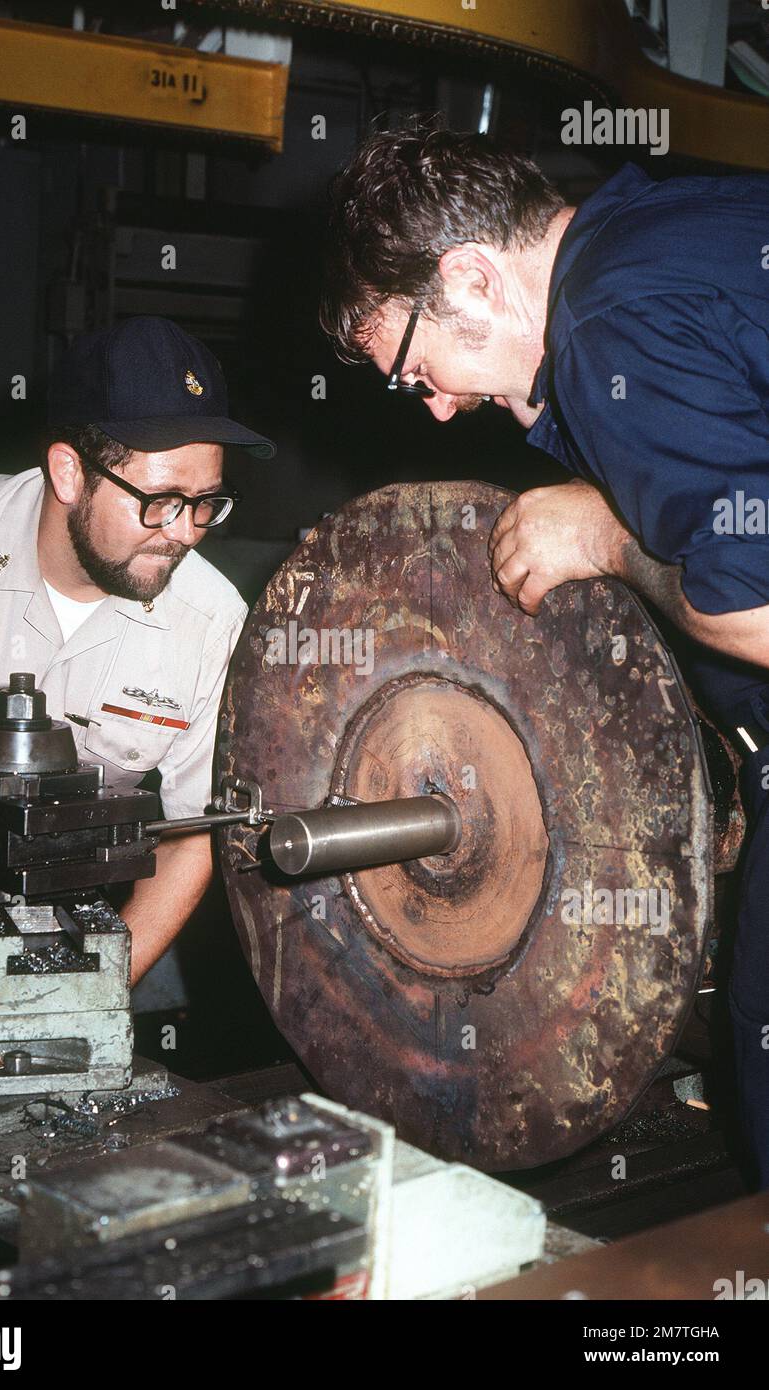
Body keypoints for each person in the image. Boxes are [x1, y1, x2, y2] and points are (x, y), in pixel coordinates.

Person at [321, 124, 769, 1185]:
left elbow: (759, 609)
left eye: (410, 368)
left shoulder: (609, 324)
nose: (434, 404)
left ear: (470, 275)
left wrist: (603, 538)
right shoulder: (664, 222)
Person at [0, 314, 274, 984]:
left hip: (44, 958)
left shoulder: (209, 625)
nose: (184, 534)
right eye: (161, 501)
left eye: (206, 503)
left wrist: (90, 997)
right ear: (69, 472)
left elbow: (193, 839)